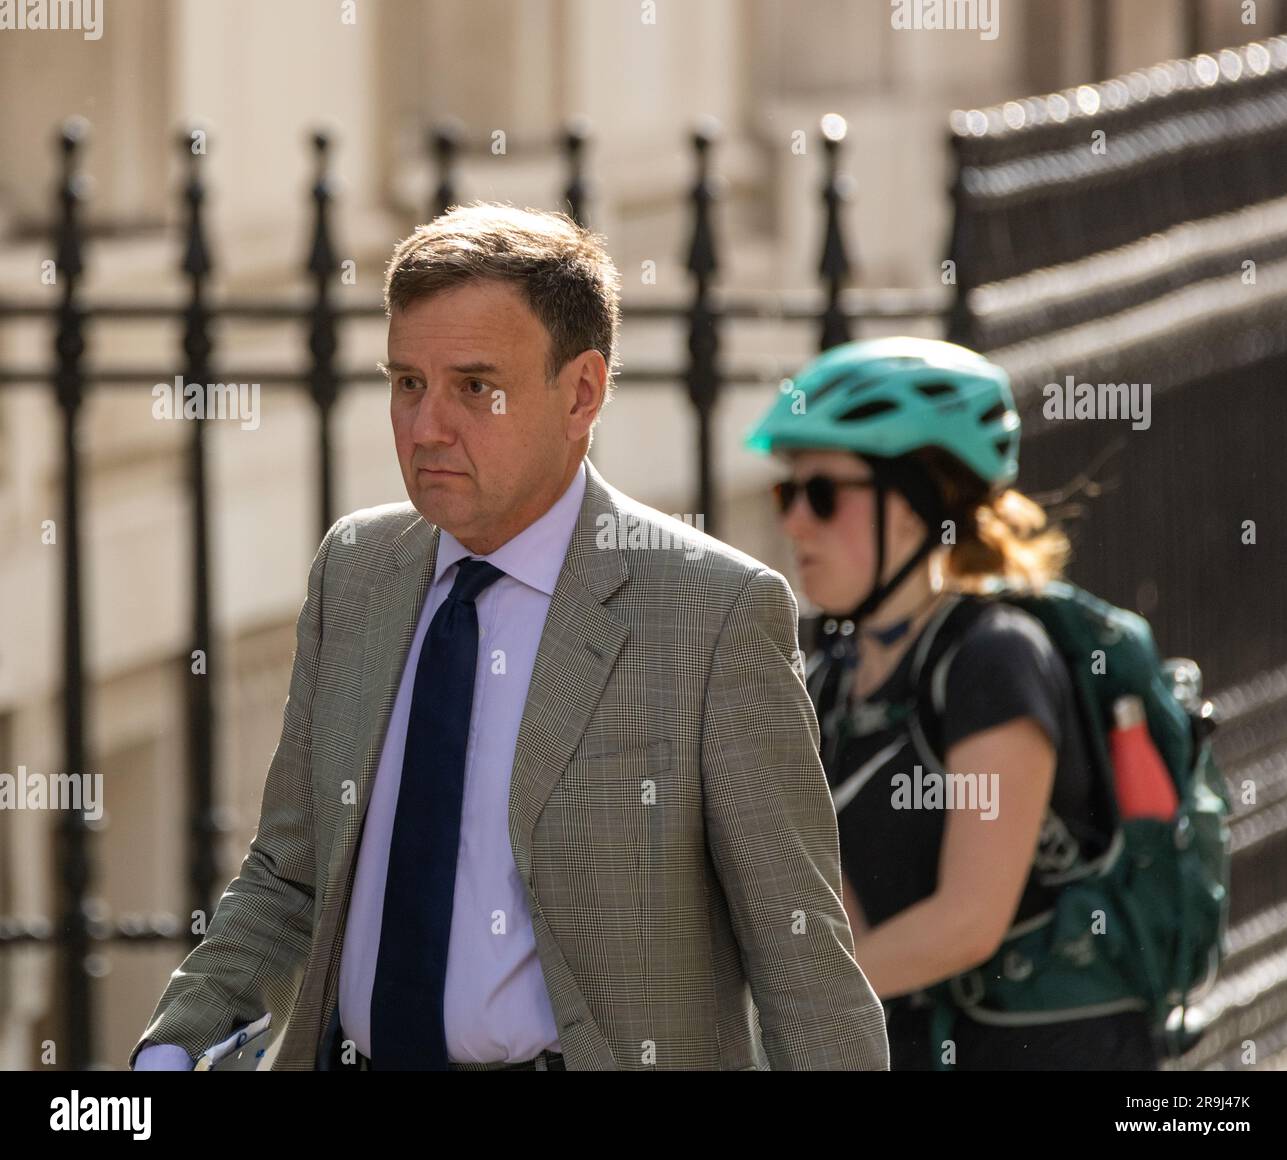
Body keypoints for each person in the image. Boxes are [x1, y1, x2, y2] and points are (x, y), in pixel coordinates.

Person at [131, 203, 888, 1072]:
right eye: (408, 382)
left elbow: (803, 969)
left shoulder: (711, 614)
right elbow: (289, 874)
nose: (425, 428)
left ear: (582, 392)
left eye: (474, 387)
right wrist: (176, 1048)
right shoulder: (357, 571)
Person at [745, 336, 1157, 1070]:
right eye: (788, 493)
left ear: (911, 508)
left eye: (822, 494)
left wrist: (785, 1017)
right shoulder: (828, 674)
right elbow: (835, 905)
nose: (795, 523)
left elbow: (969, 921)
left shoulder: (993, 658)